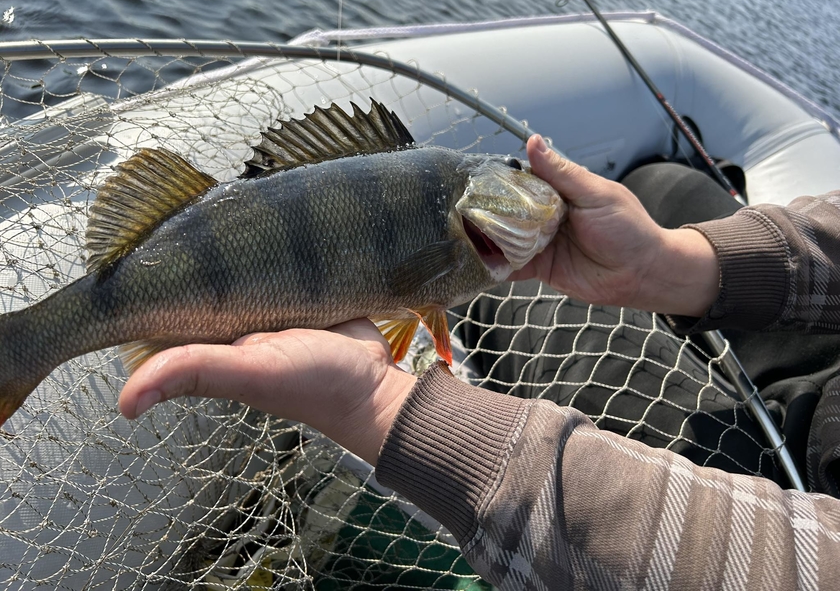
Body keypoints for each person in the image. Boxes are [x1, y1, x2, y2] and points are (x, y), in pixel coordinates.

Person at [118, 134, 840, 589]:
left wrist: (381, 407)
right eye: (513, 176)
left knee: (502, 302)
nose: (542, 190)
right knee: (662, 185)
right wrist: (677, 261)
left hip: (786, 488)